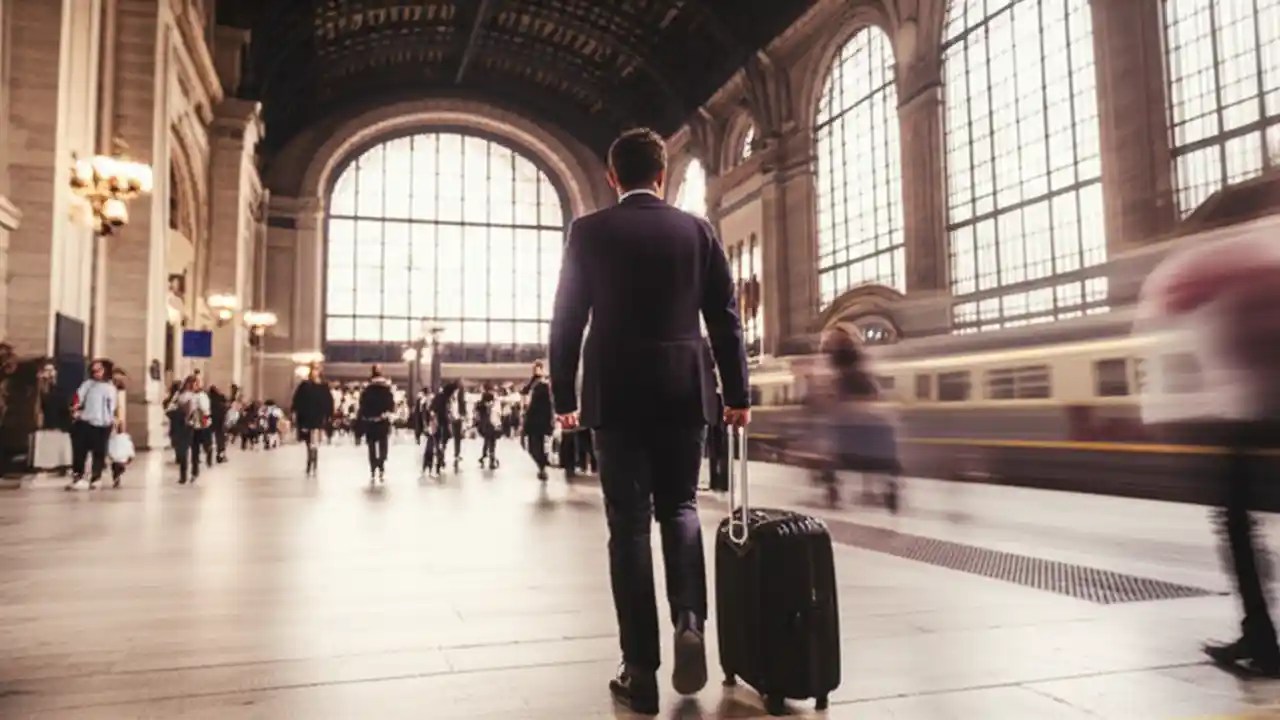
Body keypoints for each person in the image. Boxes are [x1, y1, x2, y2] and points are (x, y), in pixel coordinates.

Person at [549, 127, 751, 714]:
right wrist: (736, 392)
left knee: (629, 526)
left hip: (615, 392)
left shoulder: (589, 232)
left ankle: (639, 670)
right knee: (681, 507)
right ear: (661, 174)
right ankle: (689, 620)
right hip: (683, 389)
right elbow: (726, 319)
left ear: (614, 177)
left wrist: (566, 393)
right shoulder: (696, 230)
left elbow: (567, 319)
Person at [66, 359, 119, 491]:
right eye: (94, 371)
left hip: (103, 424)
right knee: (80, 451)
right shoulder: (87, 385)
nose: (96, 373)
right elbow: (77, 398)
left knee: (99, 452)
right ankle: (78, 475)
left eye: (99, 370)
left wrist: (113, 421)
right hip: (85, 421)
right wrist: (75, 409)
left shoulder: (110, 388)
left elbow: (112, 406)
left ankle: (96, 477)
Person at [292, 364, 335, 476]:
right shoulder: (304, 386)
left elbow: (328, 402)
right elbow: (297, 400)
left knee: (314, 441)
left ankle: (313, 461)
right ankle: (310, 459)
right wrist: (295, 413)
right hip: (306, 417)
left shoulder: (323, 386)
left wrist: (329, 415)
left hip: (317, 417)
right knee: (308, 441)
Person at [169, 375, 211, 485]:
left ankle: (194, 472)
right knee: (184, 450)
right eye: (193, 383)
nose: (194, 385)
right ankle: (184, 475)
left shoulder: (199, 396)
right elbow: (171, 407)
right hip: (184, 425)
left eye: (196, 383)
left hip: (196, 425)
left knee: (195, 450)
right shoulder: (180, 395)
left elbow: (205, 411)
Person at [357, 365, 395, 483]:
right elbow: (391, 405)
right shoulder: (386, 389)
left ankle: (373, 467)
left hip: (370, 421)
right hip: (382, 420)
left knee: (371, 445)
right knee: (383, 444)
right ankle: (381, 464)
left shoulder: (367, 390)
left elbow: (362, 406)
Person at [521, 362, 553, 481]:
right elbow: (524, 393)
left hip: (538, 421)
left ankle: (542, 466)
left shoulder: (543, 385)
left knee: (536, 446)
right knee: (534, 446)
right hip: (534, 421)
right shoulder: (532, 384)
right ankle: (542, 465)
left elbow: (545, 406)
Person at [476, 384, 500, 470]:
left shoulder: (480, 405)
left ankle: (484, 456)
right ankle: (491, 460)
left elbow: (478, 413)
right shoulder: (491, 406)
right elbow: (496, 416)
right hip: (490, 425)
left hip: (484, 426)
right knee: (492, 442)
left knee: (487, 441)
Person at [208, 384, 229, 463]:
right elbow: (226, 407)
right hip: (220, 421)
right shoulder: (221, 398)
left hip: (211, 420)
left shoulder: (209, 399)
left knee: (210, 438)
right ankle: (220, 455)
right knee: (220, 439)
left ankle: (209, 455)